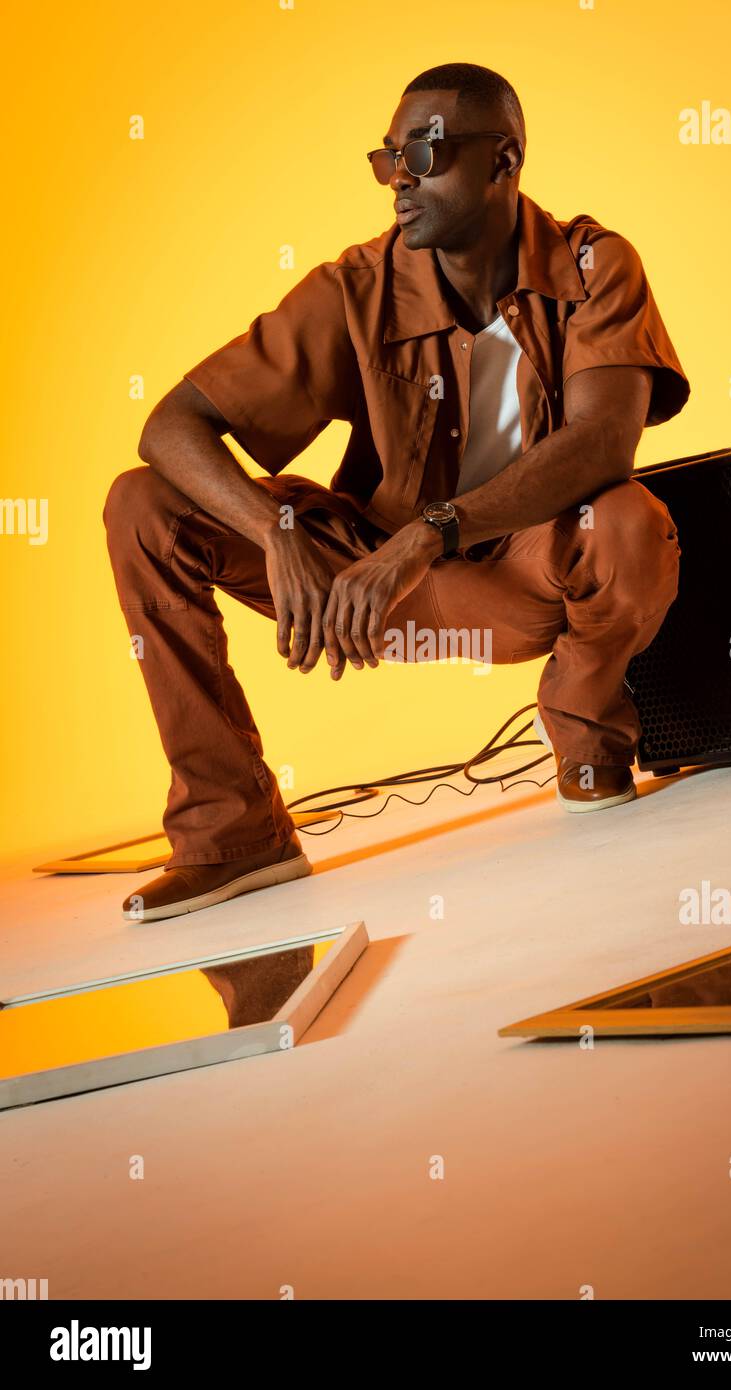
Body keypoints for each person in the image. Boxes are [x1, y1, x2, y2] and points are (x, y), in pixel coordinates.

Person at [104, 62, 689, 924]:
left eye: (426, 150)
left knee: (629, 521)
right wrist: (275, 532)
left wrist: (431, 536)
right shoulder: (353, 289)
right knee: (140, 504)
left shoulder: (592, 264)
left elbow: (604, 440)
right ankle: (235, 836)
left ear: (504, 159)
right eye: (388, 159)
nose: (401, 178)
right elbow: (170, 428)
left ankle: (586, 728)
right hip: (366, 588)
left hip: (521, 580)